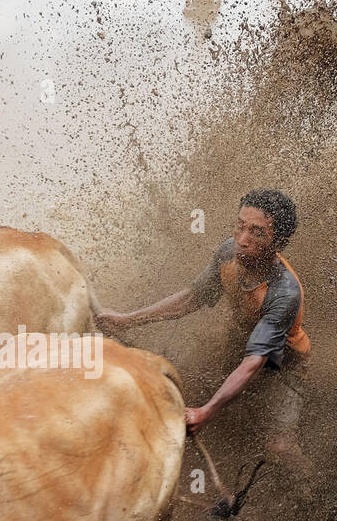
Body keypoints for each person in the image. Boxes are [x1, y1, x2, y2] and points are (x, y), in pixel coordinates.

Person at [95, 188, 310, 463]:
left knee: (280, 447)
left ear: (277, 243)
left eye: (256, 233)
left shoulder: (284, 292)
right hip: (242, 343)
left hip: (282, 366)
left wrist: (205, 412)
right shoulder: (227, 254)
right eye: (239, 226)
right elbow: (191, 299)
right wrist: (128, 320)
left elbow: (255, 363)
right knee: (225, 411)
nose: (242, 240)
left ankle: (310, 492)